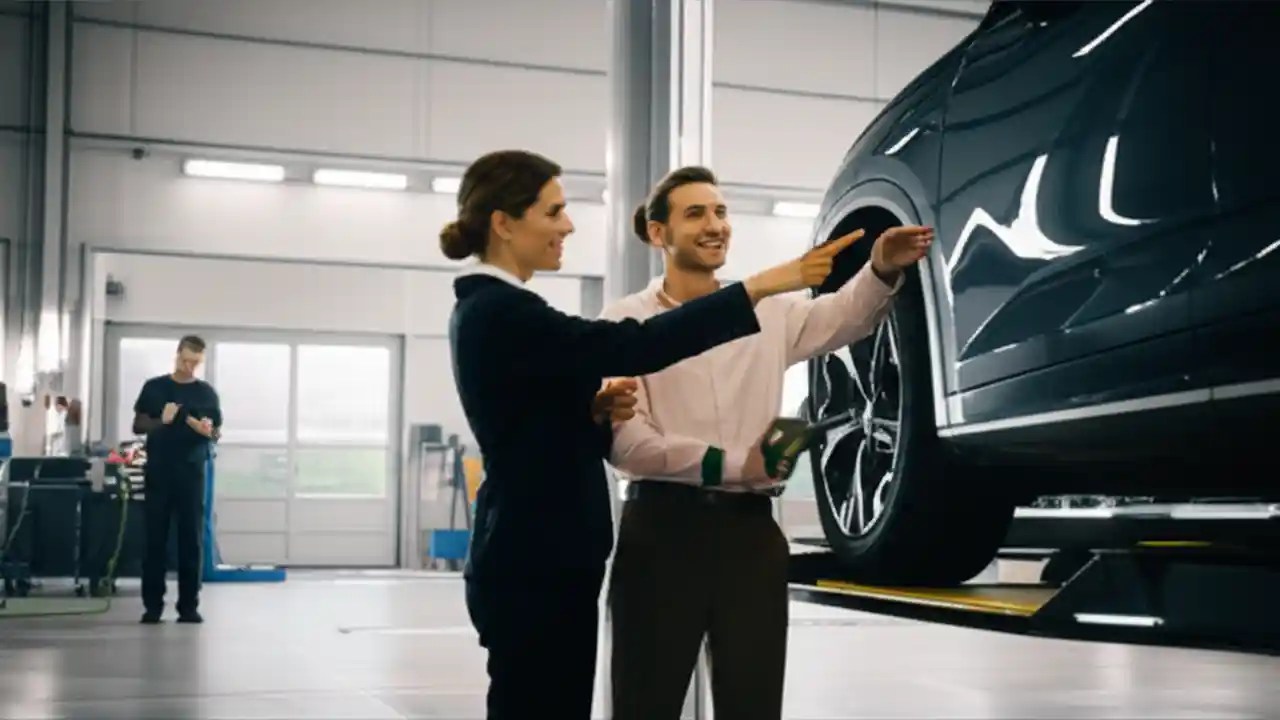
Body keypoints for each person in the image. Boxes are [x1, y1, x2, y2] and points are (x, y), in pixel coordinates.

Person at [440, 149, 857, 720]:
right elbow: (634, 347)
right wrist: (756, 289)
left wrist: (585, 412)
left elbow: (524, 424)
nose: (568, 224)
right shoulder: (505, 311)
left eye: (721, 210)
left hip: (552, 558)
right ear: (504, 223)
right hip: (541, 562)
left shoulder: (498, 311)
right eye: (554, 210)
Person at [601, 166, 933, 720]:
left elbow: (842, 317)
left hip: (749, 540)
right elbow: (629, 445)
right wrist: (735, 463)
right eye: (696, 213)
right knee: (643, 702)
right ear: (658, 234)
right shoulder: (625, 322)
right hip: (661, 537)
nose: (715, 225)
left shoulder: (766, 312)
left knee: (752, 705)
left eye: (721, 212)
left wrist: (879, 267)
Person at [131, 335, 222, 625]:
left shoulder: (206, 393)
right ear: (177, 355)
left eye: (195, 363)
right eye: (185, 360)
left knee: (190, 540)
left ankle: (188, 606)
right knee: (154, 539)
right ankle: (153, 606)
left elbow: (216, 432)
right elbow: (138, 425)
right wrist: (162, 421)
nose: (189, 366)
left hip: (191, 473)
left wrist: (205, 428)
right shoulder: (155, 388)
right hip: (159, 471)